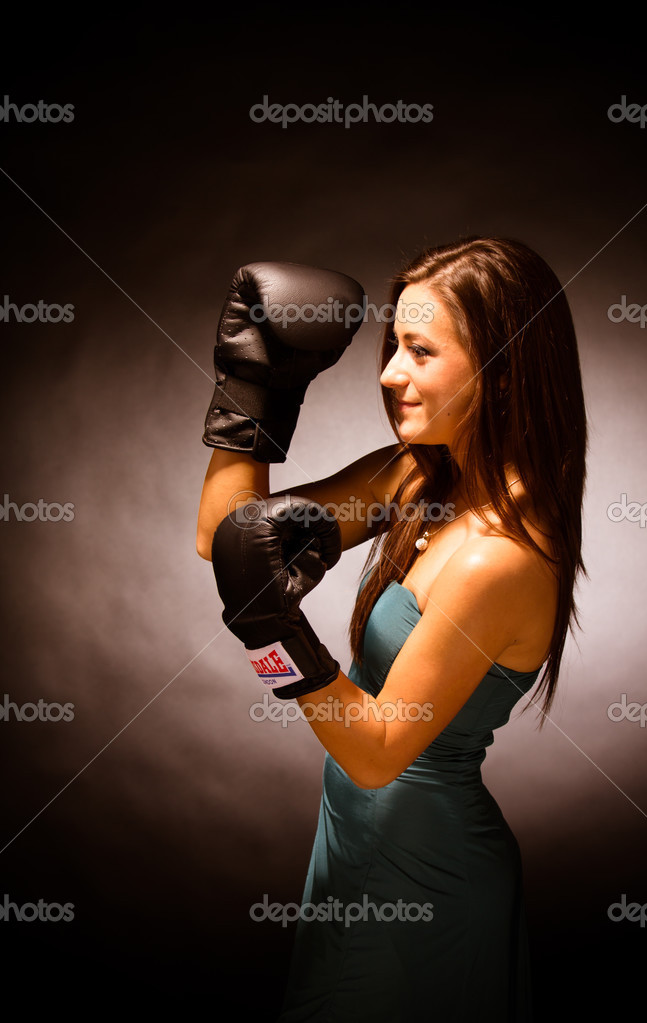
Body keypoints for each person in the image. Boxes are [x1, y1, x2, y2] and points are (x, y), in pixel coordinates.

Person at [196, 240, 587, 1021]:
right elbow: (225, 540)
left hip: (429, 879)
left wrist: (271, 636)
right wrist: (252, 393)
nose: (386, 373)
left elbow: (376, 750)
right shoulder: (416, 475)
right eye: (391, 346)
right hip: (352, 846)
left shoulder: (497, 558)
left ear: (502, 371)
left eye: (420, 349)